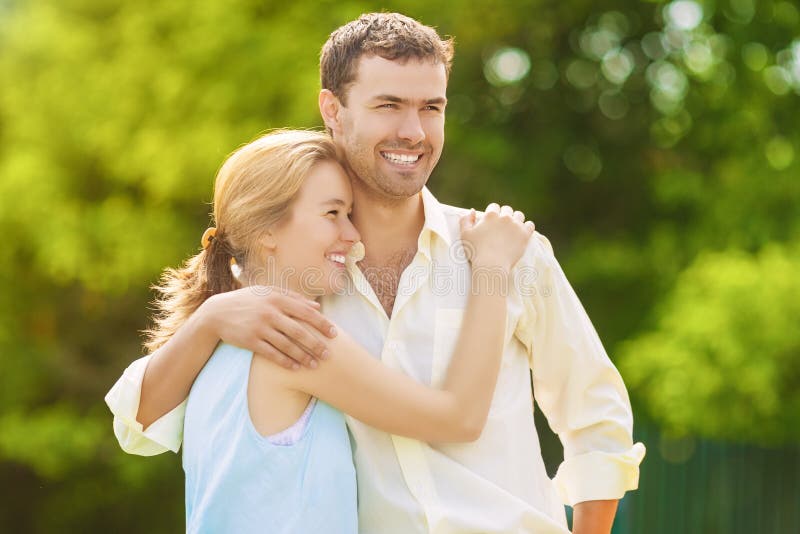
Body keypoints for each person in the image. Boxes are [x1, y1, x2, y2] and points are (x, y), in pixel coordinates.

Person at [106, 12, 645, 534]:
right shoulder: (296, 284)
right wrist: (214, 316)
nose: (413, 131)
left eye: (431, 107)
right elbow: (141, 423)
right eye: (388, 104)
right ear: (333, 110)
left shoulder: (510, 252)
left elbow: (596, 423)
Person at [136, 129, 533, 533]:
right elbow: (459, 419)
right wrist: (492, 267)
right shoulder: (291, 334)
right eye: (333, 214)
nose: (353, 234)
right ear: (266, 230)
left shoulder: (213, 343)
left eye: (350, 215)